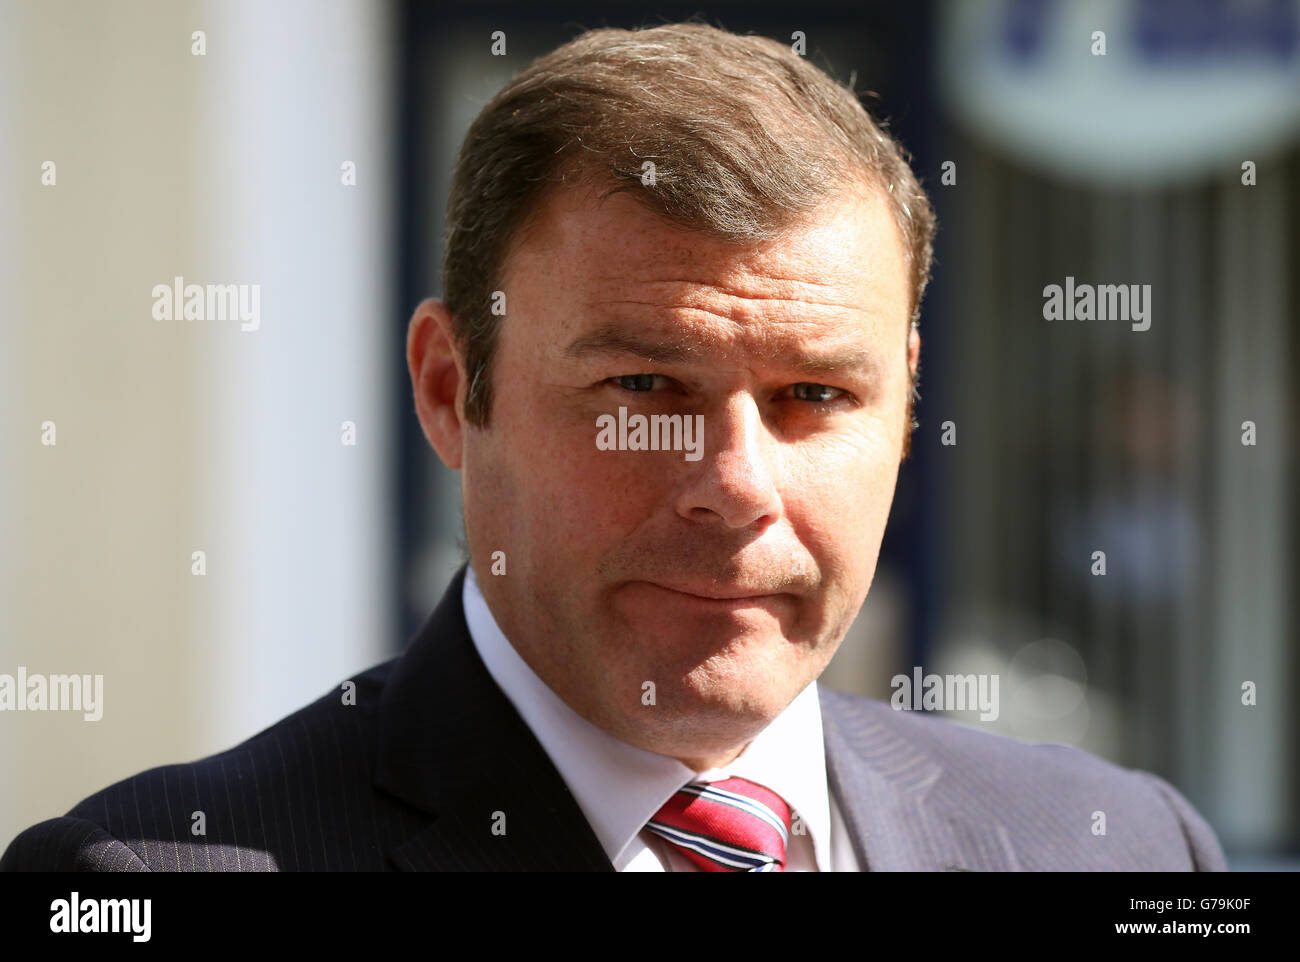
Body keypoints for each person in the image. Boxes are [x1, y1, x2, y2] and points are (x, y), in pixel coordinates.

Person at [1, 21, 1225, 872]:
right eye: (643, 383)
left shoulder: (1115, 840)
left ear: (908, 408)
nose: (737, 483)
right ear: (447, 389)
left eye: (813, 394)